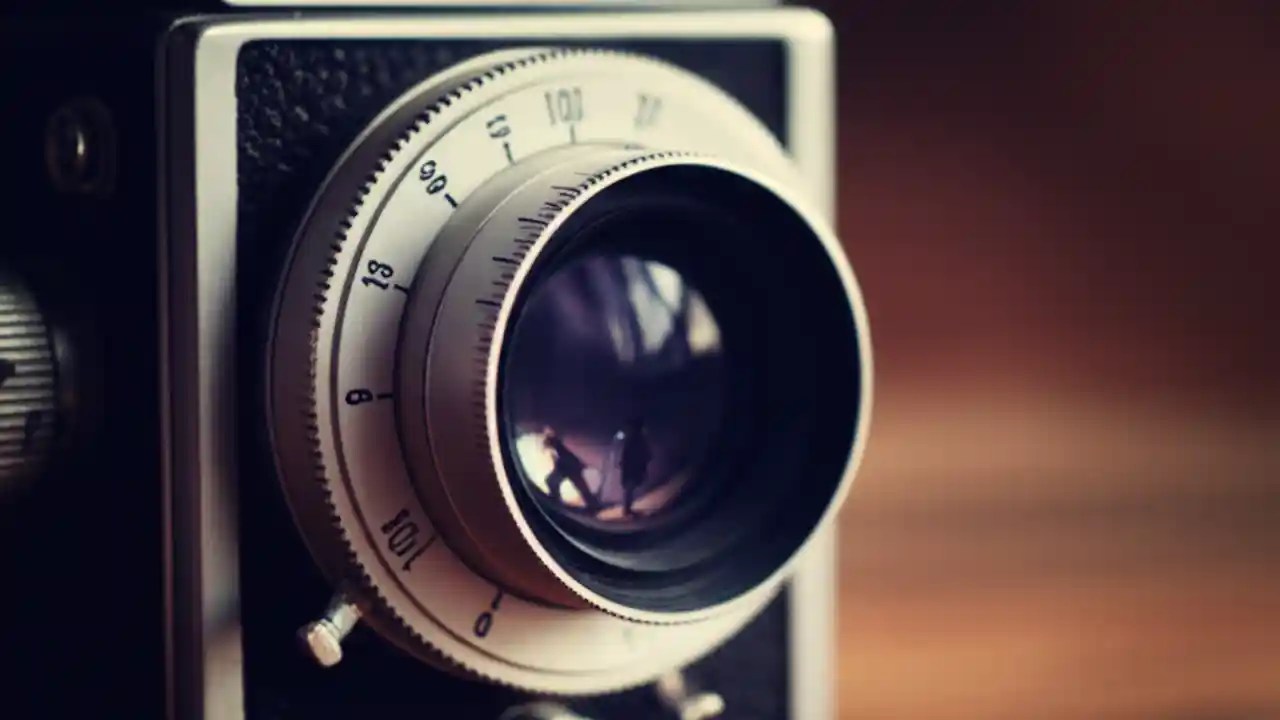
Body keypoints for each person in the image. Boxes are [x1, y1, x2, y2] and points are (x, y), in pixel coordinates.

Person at [540, 428, 599, 512]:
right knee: (552, 481)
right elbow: (549, 445)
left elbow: (551, 443)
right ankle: (556, 500)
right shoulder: (556, 444)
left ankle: (593, 504)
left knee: (579, 485)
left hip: (569, 465)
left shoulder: (557, 441)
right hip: (566, 465)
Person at [619, 417, 651, 517]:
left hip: (632, 467)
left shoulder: (634, 439)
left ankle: (627, 509)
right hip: (633, 467)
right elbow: (646, 454)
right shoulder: (636, 439)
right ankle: (627, 509)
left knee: (629, 488)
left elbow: (644, 454)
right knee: (630, 488)